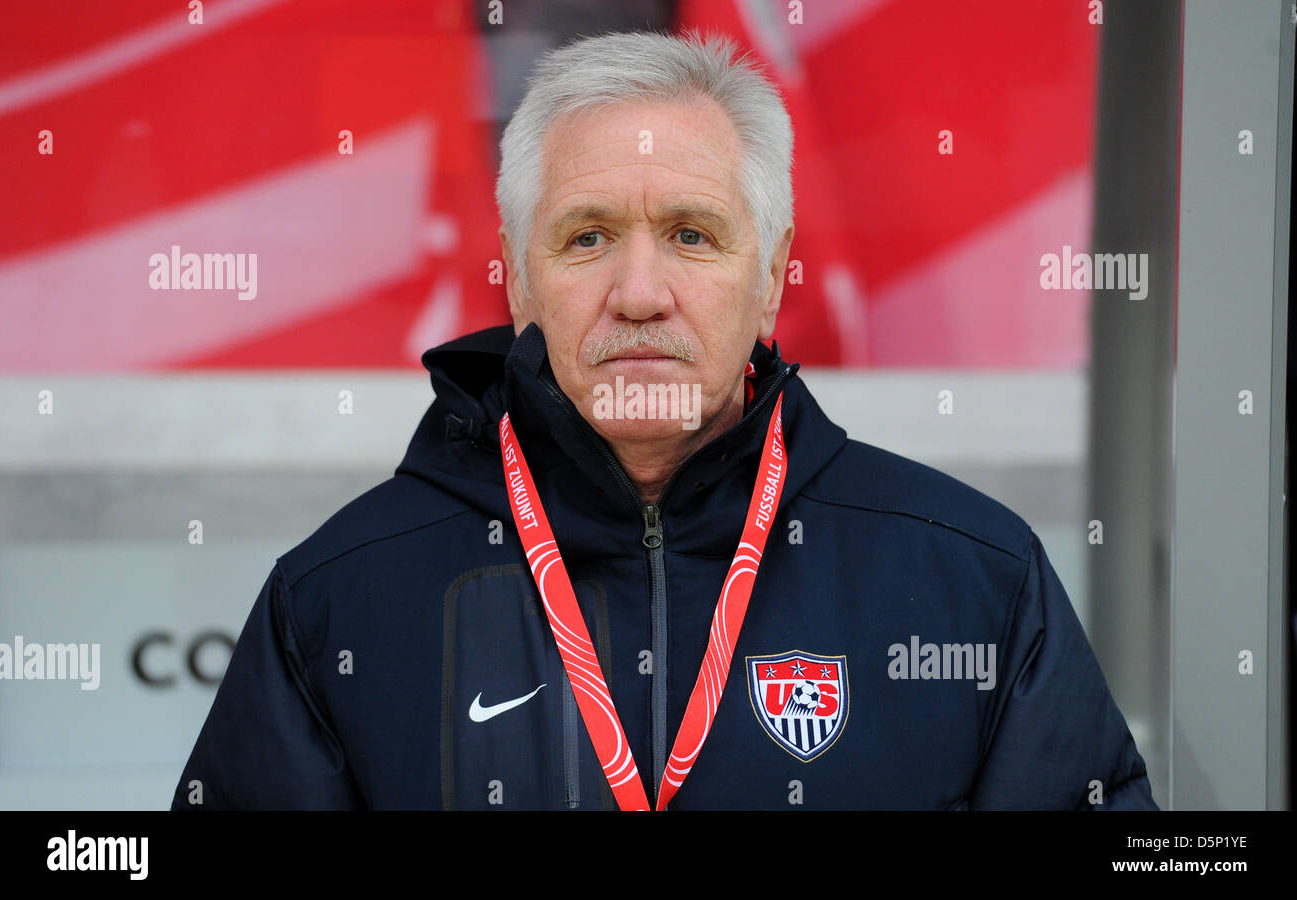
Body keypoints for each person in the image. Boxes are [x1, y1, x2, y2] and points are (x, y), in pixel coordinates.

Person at [171, 29, 1157, 810]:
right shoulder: (339, 597)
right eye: (587, 236)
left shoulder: (971, 579)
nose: (638, 293)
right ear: (518, 280)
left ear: (770, 277)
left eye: (691, 235)